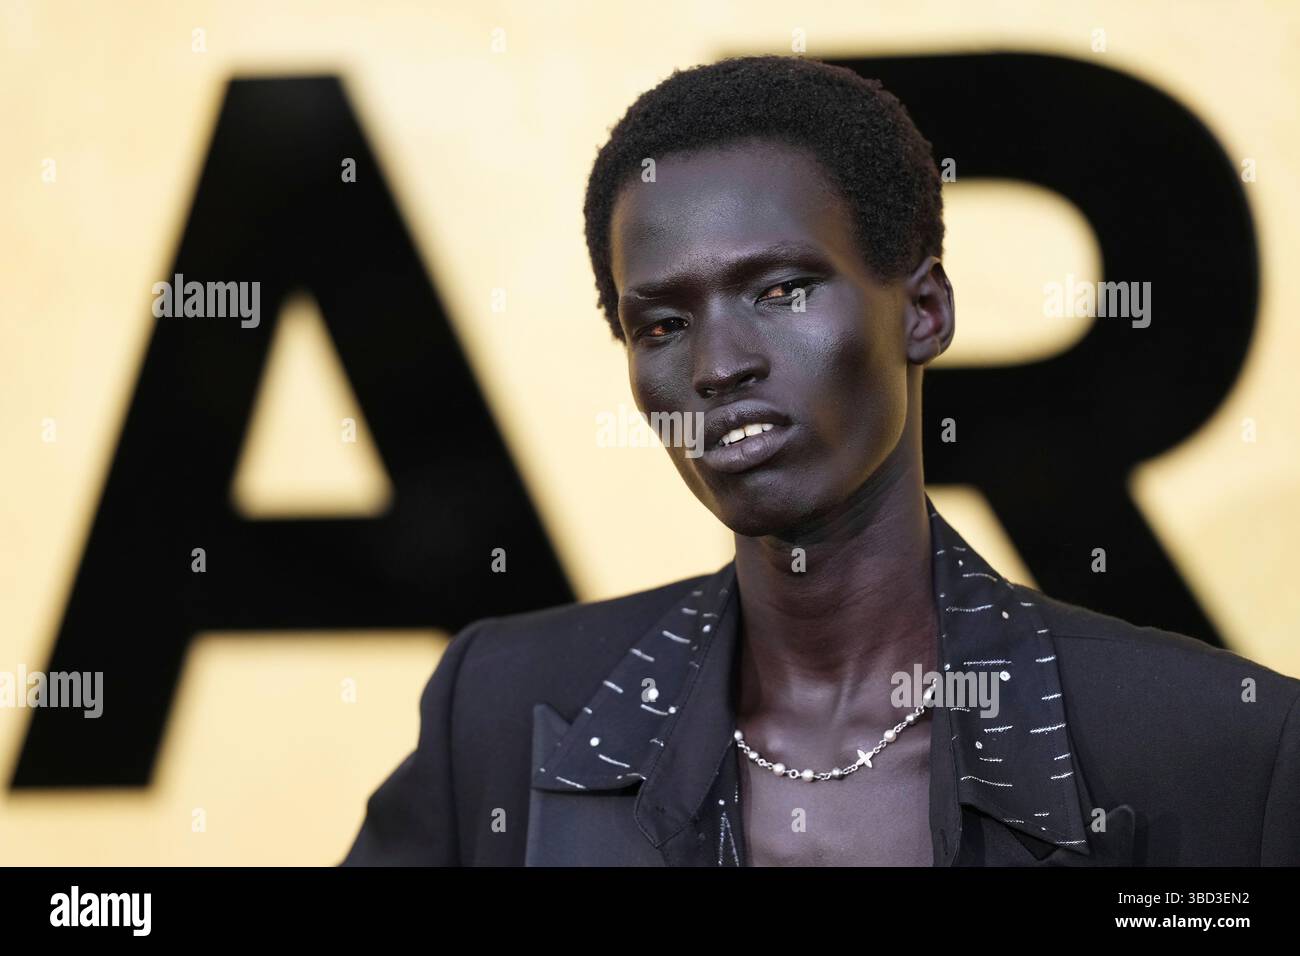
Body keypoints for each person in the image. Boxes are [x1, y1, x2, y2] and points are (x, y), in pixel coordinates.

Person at [341, 54, 1300, 866]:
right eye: (664, 323)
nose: (719, 366)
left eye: (784, 290)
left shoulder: (1218, 749)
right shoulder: (507, 712)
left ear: (923, 311)